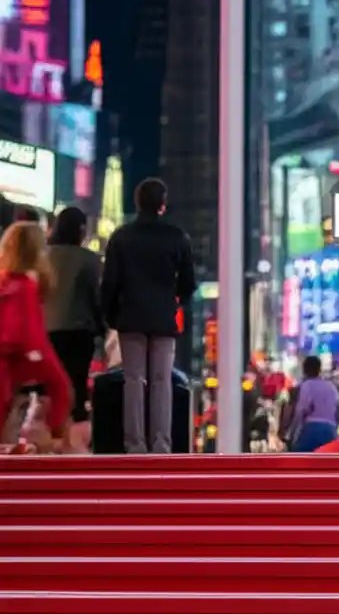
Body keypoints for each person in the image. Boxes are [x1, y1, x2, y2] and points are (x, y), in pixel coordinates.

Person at [100, 178, 197, 453]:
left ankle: (134, 444)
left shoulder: (121, 237)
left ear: (137, 202)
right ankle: (161, 443)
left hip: (130, 317)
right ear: (162, 205)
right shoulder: (177, 237)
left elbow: (110, 283)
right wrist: (174, 301)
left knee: (133, 380)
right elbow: (189, 283)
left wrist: (111, 315)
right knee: (161, 381)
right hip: (163, 318)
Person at [0, 221, 73, 452]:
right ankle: (49, 443)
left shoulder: (5, 281)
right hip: (23, 354)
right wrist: (38, 359)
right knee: (61, 388)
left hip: (9, 359)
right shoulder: (26, 286)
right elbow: (30, 333)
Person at [44, 207, 104, 436]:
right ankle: (72, 437)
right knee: (76, 385)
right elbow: (98, 299)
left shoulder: (42, 256)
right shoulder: (89, 260)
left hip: (45, 332)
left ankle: (48, 433)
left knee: (49, 387)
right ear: (81, 230)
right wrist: (102, 328)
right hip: (78, 333)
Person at [288, 355, 339, 452]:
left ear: (304, 370)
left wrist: (291, 434)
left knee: (298, 455)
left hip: (312, 429)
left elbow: (301, 411)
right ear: (319, 369)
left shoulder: (307, 385)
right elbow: (338, 407)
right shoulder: (331, 386)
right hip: (331, 431)